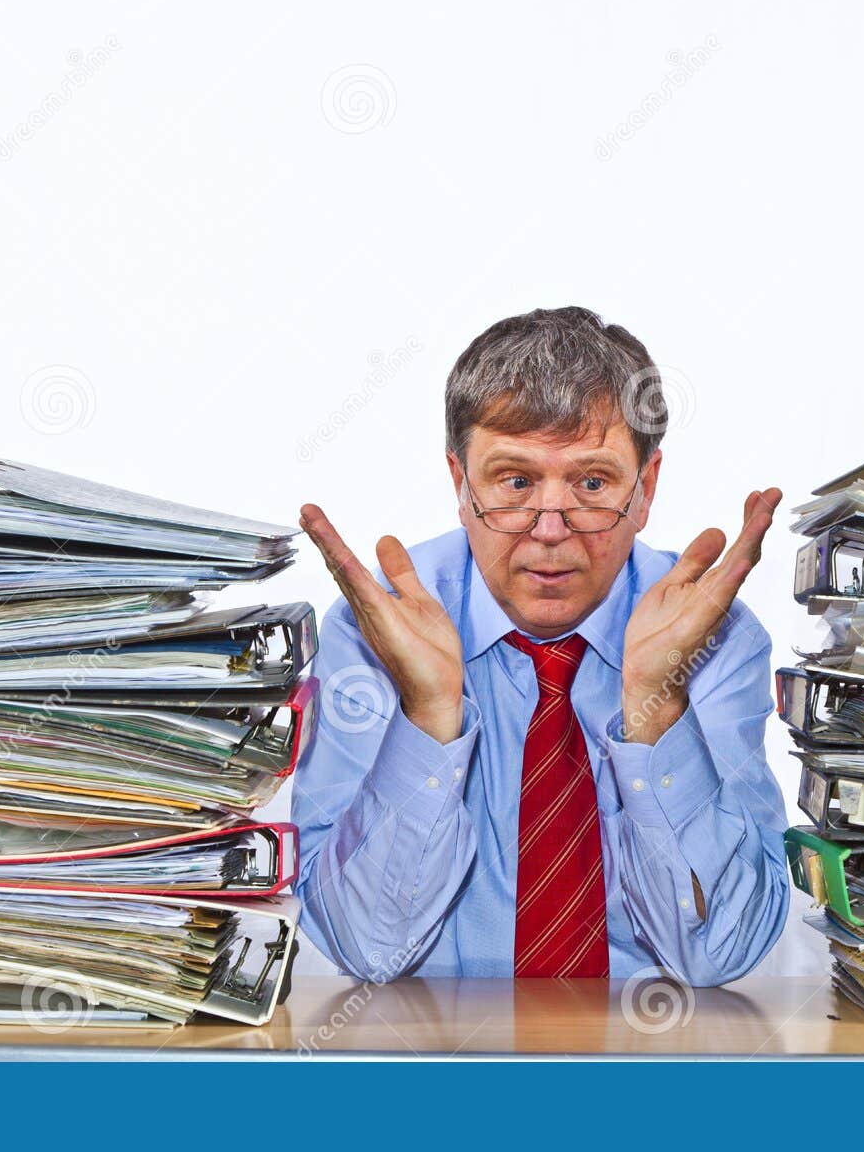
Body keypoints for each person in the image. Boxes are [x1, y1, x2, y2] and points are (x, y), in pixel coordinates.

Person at [292, 306, 789, 985]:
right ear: (459, 484)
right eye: (516, 481)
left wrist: (657, 706)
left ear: (645, 489)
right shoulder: (377, 629)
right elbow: (364, 947)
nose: (550, 528)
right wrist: (429, 717)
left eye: (591, 482)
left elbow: (721, 952)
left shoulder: (713, 638)